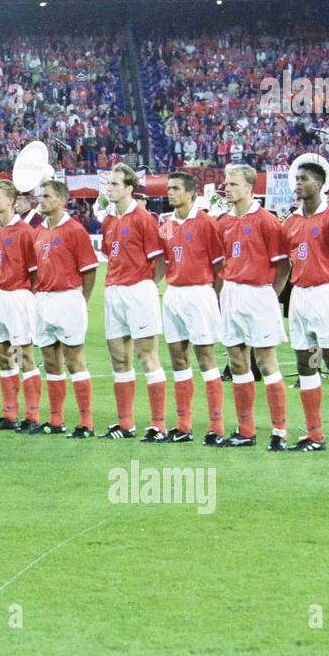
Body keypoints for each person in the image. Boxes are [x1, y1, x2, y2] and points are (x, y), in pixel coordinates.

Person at [216, 164, 291, 448]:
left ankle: (279, 431)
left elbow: (283, 265)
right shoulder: (223, 222)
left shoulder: (267, 221)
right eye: (226, 183)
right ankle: (245, 430)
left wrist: (271, 295)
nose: (227, 188)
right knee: (237, 361)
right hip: (232, 294)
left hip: (259, 294)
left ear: (249, 188)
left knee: (266, 363)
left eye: (233, 184)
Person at [282, 164, 329, 451]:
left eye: (304, 179)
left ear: (319, 184)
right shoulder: (291, 221)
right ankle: (315, 434)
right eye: (296, 179)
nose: (297, 184)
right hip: (299, 296)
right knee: (306, 363)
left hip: (326, 294)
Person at [157, 171, 225, 444]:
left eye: (175, 188)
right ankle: (183, 425)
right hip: (173, 294)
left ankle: (216, 427)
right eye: (168, 188)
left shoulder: (207, 223)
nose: (169, 193)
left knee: (206, 358)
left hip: (199, 293)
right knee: (178, 359)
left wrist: (213, 299)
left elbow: (220, 267)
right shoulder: (167, 224)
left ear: (190, 193)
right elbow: (164, 260)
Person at [100, 163, 167, 440]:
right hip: (114, 290)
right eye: (109, 184)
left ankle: (159, 426)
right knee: (119, 358)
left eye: (115, 184)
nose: (110, 188)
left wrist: (148, 287)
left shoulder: (143, 219)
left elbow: (159, 259)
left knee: (147, 356)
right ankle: (126, 425)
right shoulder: (108, 221)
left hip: (139, 291)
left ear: (129, 188)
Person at [31, 180, 100, 437]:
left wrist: (82, 300)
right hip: (44, 300)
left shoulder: (75, 230)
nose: (41, 199)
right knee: (50, 361)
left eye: (47, 196)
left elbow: (89, 271)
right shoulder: (38, 231)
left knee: (74, 361)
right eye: (41, 195)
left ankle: (86, 423)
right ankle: (56, 420)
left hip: (68, 299)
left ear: (62, 200)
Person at [0, 179, 40, 431]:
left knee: (24, 356)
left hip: (18, 297)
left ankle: (32, 416)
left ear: (11, 201)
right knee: (3, 355)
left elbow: (36, 273)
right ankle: (9, 414)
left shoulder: (25, 232)